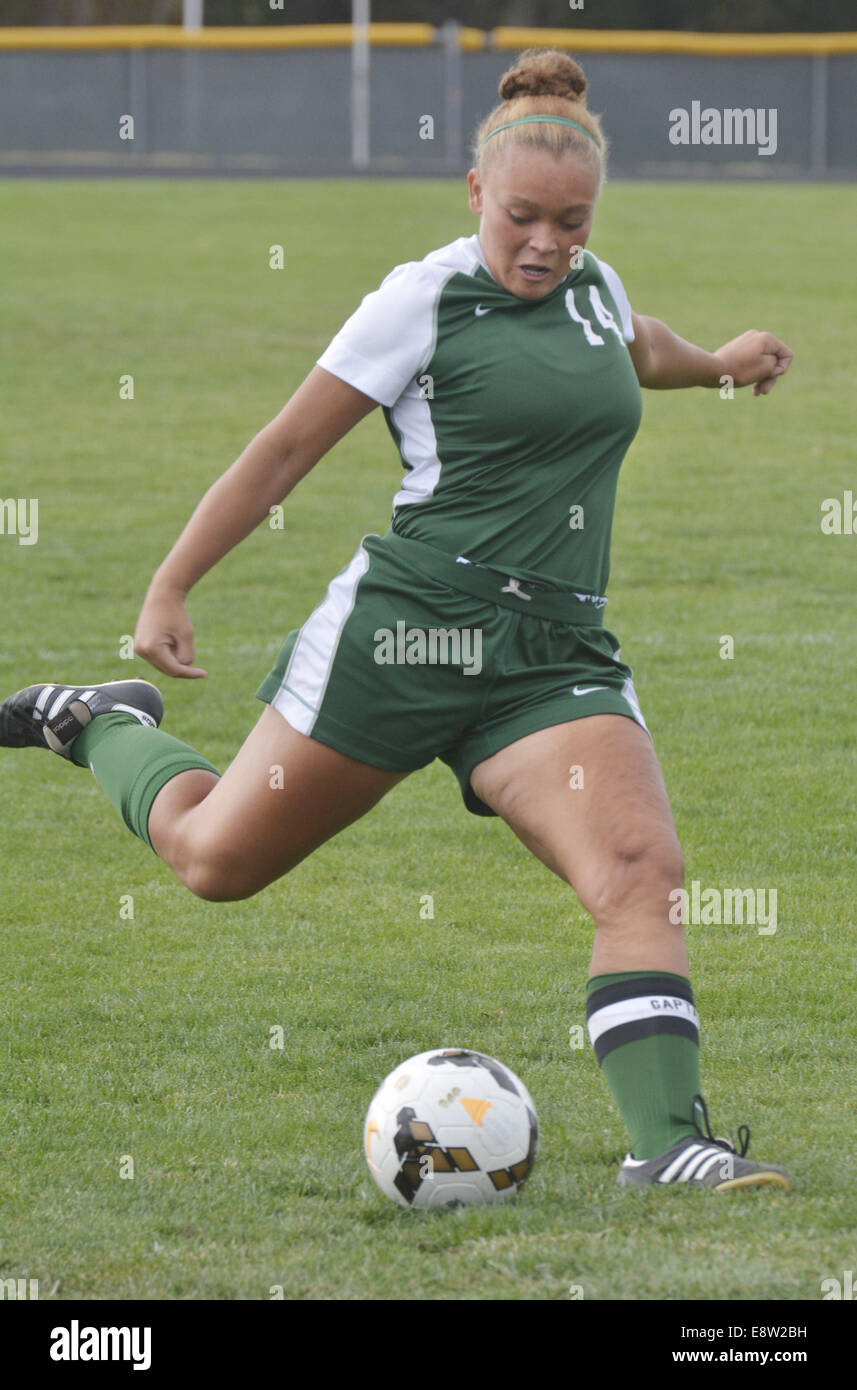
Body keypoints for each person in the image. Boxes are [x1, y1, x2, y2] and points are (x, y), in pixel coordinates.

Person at [1, 49, 793, 1192]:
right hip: (408, 630)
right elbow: (282, 449)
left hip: (551, 656)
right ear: (475, 194)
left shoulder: (594, 284)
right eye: (521, 217)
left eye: (569, 223)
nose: (544, 244)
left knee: (637, 868)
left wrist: (716, 365)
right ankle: (100, 723)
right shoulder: (419, 297)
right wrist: (170, 585)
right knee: (213, 859)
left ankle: (666, 1146)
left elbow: (635, 346)